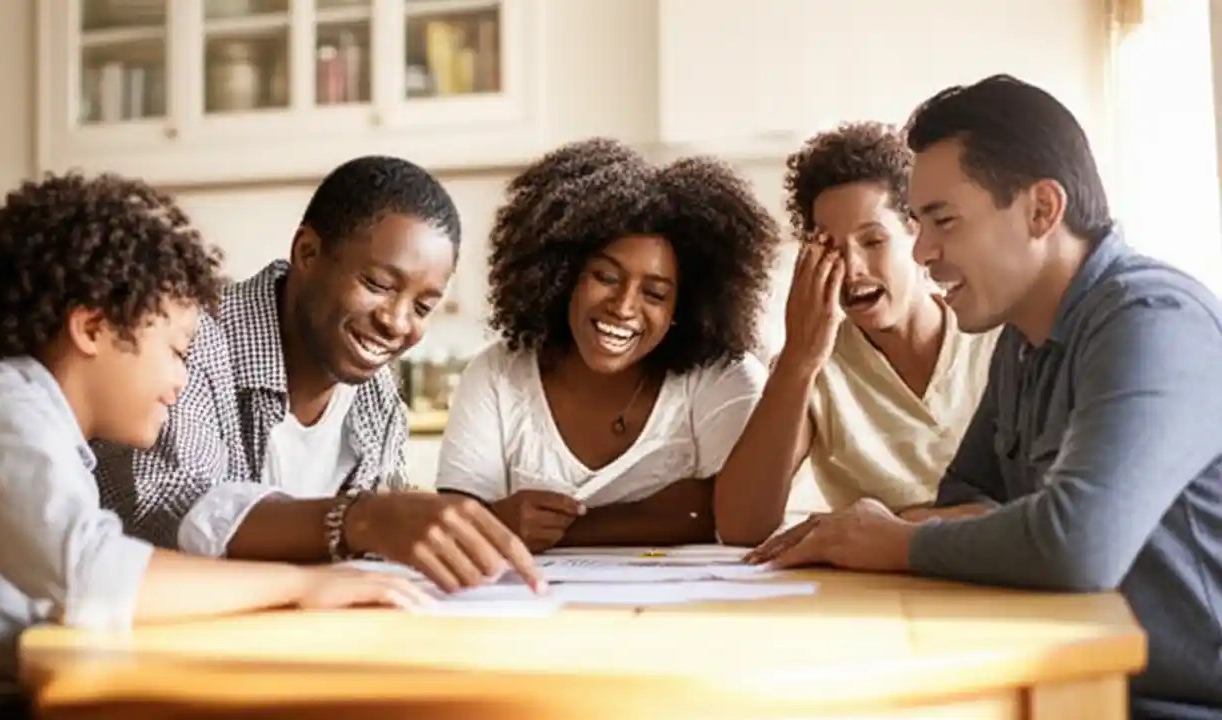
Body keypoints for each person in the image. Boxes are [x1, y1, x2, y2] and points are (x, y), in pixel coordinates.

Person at [756, 74, 1222, 719]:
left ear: (1041, 209)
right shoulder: (1024, 338)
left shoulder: (1152, 319)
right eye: (918, 224)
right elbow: (966, 499)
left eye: (942, 221)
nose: (923, 251)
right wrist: (872, 532)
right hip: (1068, 685)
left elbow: (1077, 544)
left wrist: (892, 541)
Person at [0, 173, 431, 720]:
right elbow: (93, 575)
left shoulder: (41, 425)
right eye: (176, 351)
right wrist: (301, 584)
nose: (181, 380)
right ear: (93, 328)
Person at [94, 156, 543, 595]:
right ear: (307, 252)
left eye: (423, 307)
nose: (398, 322)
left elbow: (364, 555)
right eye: (378, 285)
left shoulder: (376, 392)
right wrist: (362, 518)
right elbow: (169, 507)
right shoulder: (192, 340)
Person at [435, 138, 778, 551]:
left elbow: (722, 513)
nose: (623, 307)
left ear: (682, 307)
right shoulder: (497, 374)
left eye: (654, 294)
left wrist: (555, 530)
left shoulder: (723, 376)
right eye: (606, 277)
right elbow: (453, 523)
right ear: (562, 276)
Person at [716, 121, 999, 551]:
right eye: (829, 247)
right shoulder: (814, 366)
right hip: (875, 596)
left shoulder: (995, 338)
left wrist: (904, 524)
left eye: (873, 240)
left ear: (916, 233)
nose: (852, 267)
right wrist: (799, 359)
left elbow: (1042, 501)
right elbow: (740, 526)